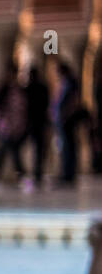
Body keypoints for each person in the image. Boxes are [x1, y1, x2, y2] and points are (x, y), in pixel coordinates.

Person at [0, 57, 27, 184]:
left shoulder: (18, 88)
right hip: (5, 124)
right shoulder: (3, 88)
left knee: (10, 149)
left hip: (16, 124)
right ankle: (17, 174)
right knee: (7, 149)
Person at [50, 59, 83, 187]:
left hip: (67, 121)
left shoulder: (71, 82)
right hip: (63, 120)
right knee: (65, 148)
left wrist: (66, 115)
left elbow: (74, 101)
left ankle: (69, 175)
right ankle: (66, 174)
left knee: (69, 148)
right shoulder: (66, 82)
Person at [25, 63, 50, 186]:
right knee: (39, 148)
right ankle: (37, 172)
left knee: (37, 147)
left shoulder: (29, 88)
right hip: (41, 121)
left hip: (32, 122)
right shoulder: (43, 88)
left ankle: (35, 172)